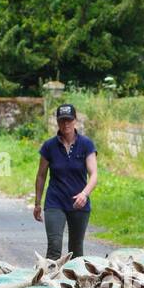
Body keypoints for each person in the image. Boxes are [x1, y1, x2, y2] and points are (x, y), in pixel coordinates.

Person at [34, 103, 97, 259]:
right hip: (55, 202)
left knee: (75, 251)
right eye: (62, 120)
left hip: (79, 203)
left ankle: (73, 283)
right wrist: (37, 203)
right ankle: (48, 282)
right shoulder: (49, 146)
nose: (65, 124)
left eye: (69, 120)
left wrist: (84, 194)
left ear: (75, 120)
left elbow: (94, 174)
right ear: (57, 122)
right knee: (54, 248)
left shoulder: (86, 144)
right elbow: (41, 175)